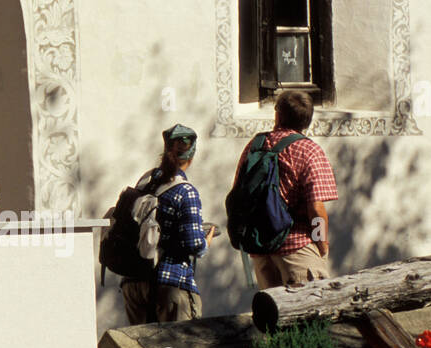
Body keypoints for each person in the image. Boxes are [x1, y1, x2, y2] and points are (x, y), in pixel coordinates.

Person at [235, 90, 338, 289]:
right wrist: (321, 243)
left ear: (278, 115)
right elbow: (316, 209)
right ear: (307, 120)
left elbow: (239, 192)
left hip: (261, 251)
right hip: (297, 249)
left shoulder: (255, 145)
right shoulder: (309, 150)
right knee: (308, 315)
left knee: (272, 316)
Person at [120, 124, 216, 323]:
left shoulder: (145, 182)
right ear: (191, 156)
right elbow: (193, 244)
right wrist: (206, 242)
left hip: (133, 283)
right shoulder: (185, 191)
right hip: (169, 282)